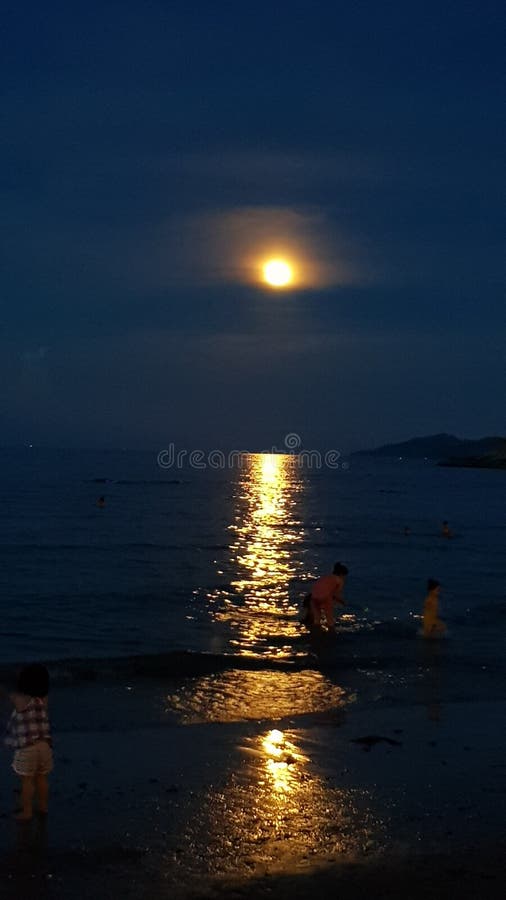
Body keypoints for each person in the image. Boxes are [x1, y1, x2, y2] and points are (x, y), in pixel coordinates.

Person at [4, 664, 53, 821]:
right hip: (45, 746)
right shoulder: (43, 700)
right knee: (41, 779)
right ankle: (43, 807)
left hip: (28, 747)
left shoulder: (20, 699)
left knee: (26, 783)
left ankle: (27, 812)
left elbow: (7, 696)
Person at [307, 562, 349, 629]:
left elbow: (320, 589)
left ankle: (315, 634)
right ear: (342, 574)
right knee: (329, 619)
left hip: (313, 597)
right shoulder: (339, 580)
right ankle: (331, 634)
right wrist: (342, 602)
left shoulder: (325, 578)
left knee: (317, 619)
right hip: (325, 598)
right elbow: (336, 594)